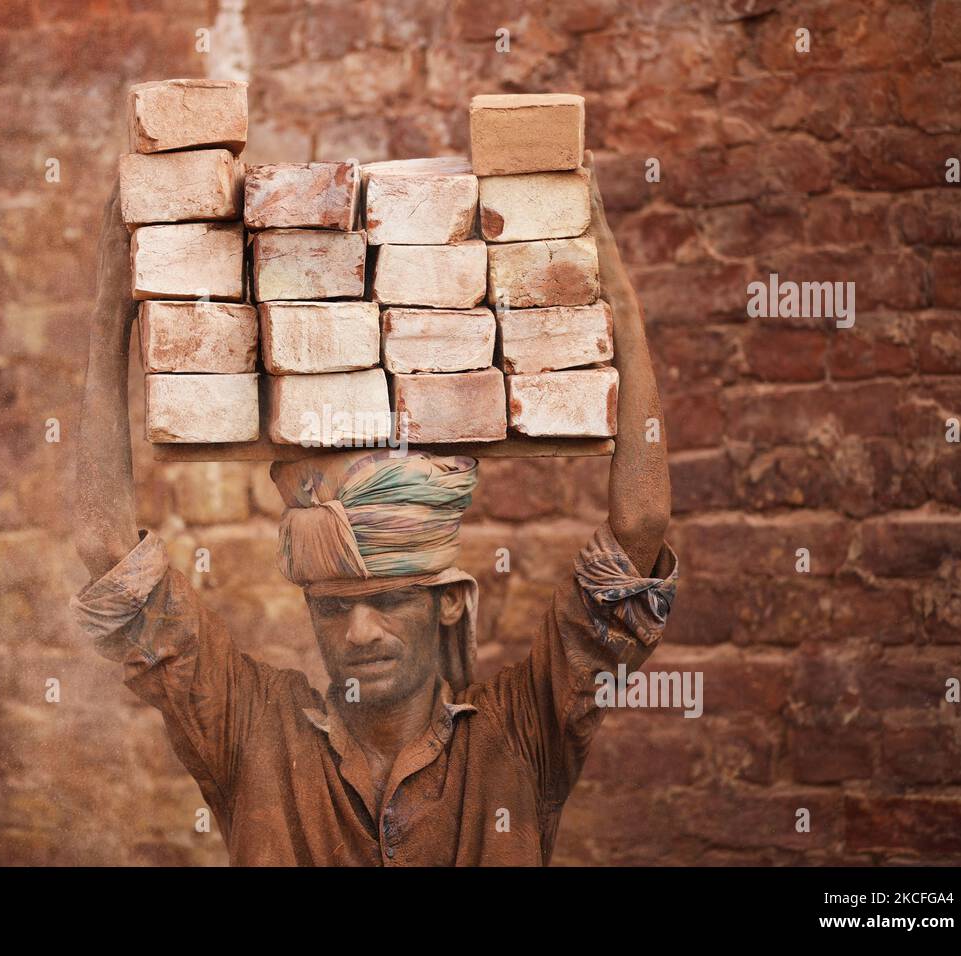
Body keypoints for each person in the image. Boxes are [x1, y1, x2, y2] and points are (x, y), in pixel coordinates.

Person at [70, 151, 678, 866]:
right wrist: (117, 304)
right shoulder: (253, 732)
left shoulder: (520, 735)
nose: (359, 632)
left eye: (389, 600)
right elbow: (108, 548)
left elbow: (638, 532)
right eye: (332, 608)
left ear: (446, 603)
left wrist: (611, 284)